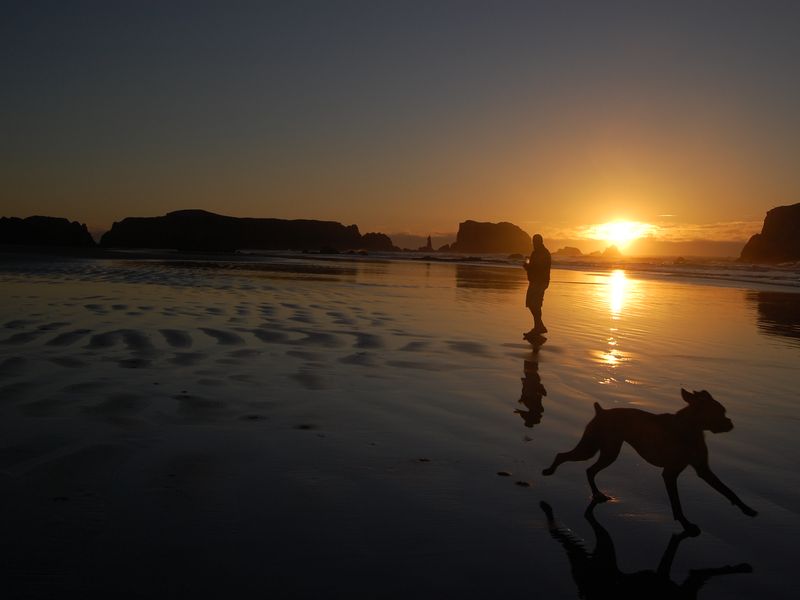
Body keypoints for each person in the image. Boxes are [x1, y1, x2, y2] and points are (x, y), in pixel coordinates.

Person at [523, 233, 551, 335]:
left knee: (535, 303)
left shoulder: (544, 253)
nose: (533, 244)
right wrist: (528, 267)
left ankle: (539, 327)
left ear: (540, 242)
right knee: (531, 303)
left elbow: (539, 268)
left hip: (540, 282)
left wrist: (528, 267)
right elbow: (534, 267)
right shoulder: (535, 253)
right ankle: (539, 326)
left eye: (535, 242)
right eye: (533, 242)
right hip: (535, 281)